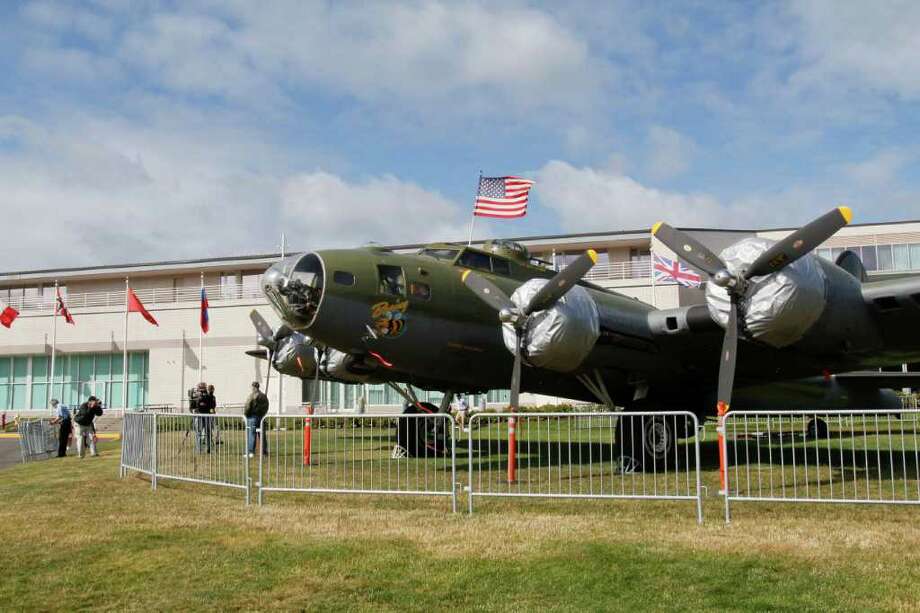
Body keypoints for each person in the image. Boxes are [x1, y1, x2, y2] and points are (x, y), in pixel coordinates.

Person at [244, 381, 270, 458]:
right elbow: (266, 406)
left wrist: (246, 415)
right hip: (261, 417)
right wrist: (263, 414)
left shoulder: (252, 396)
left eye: (252, 387)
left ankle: (251, 452)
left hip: (252, 417)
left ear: (253, 387)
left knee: (252, 434)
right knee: (262, 435)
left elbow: (247, 406)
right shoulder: (264, 396)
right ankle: (264, 452)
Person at [191, 382, 213, 453]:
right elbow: (191, 407)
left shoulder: (209, 396)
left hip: (207, 416)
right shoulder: (195, 397)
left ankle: (208, 448)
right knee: (198, 432)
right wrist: (193, 410)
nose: (201, 390)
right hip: (198, 416)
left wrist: (205, 397)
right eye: (200, 388)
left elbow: (212, 405)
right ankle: (199, 449)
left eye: (203, 388)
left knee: (208, 432)